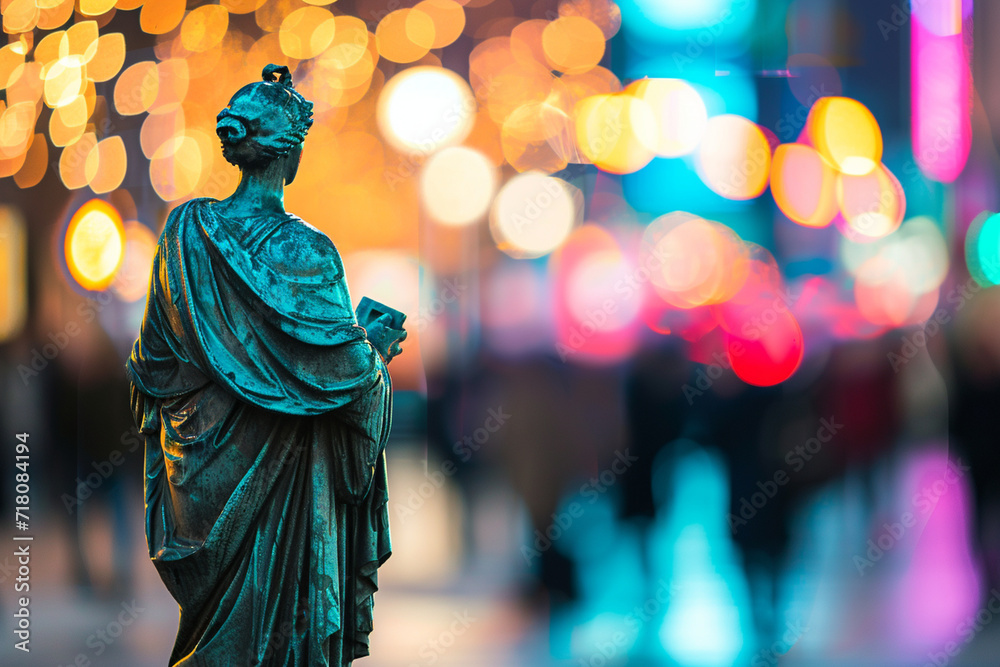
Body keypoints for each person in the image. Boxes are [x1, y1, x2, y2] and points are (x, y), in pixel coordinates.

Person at [127, 64, 406, 666]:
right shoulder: (308, 250)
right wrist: (374, 353)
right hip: (290, 496)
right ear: (292, 153)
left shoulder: (184, 233)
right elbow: (346, 384)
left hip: (199, 480)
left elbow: (152, 369)